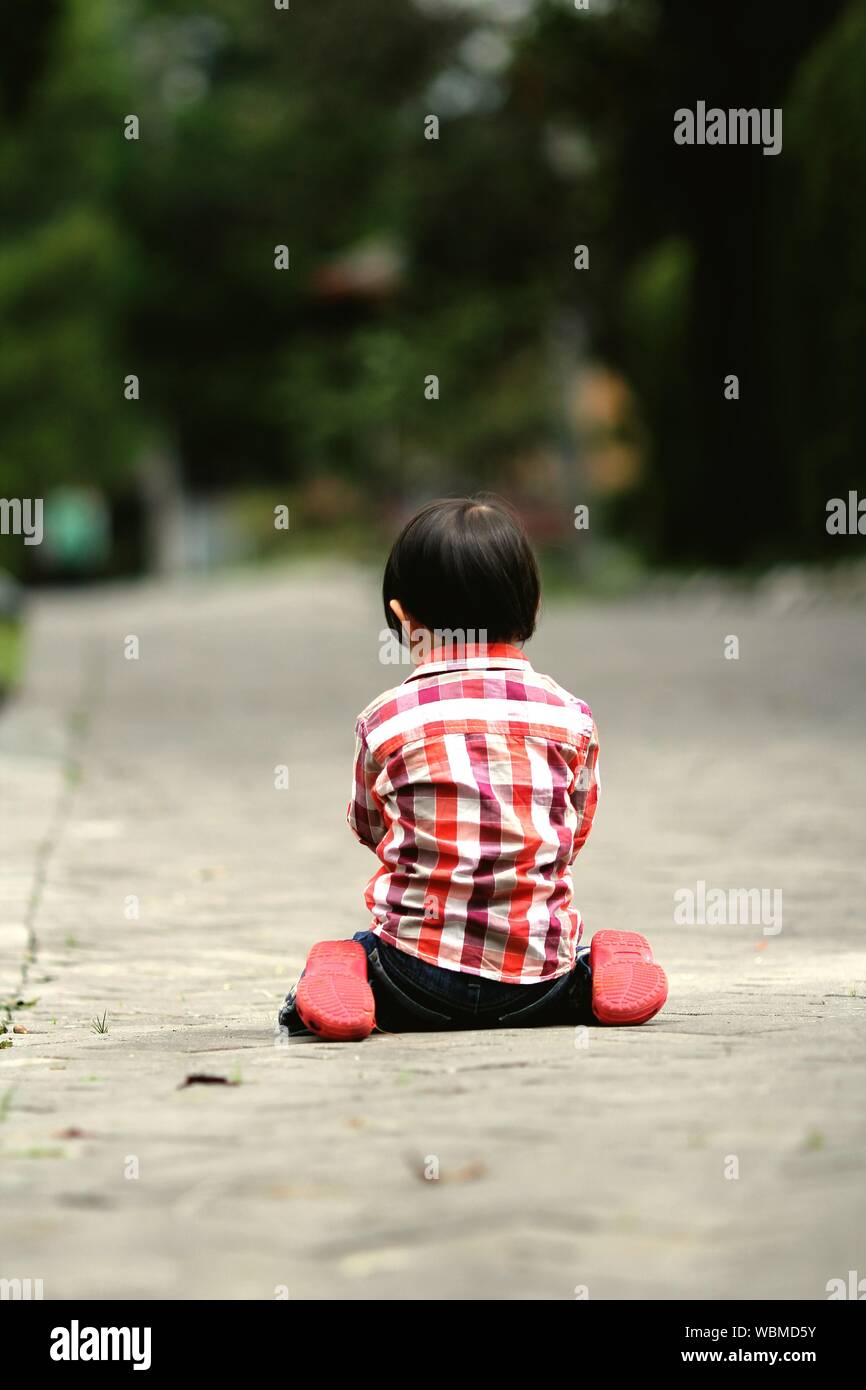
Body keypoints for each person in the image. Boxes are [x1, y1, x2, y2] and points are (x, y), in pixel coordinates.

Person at [279, 495, 667, 1040]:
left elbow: (371, 828)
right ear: (531, 610)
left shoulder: (385, 721)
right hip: (538, 982)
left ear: (401, 616)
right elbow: (573, 832)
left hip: (414, 981)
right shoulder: (570, 717)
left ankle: (335, 979)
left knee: (358, 951)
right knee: (567, 961)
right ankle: (596, 975)